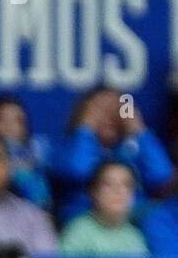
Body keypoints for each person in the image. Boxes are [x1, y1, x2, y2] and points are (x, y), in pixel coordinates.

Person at [49, 87, 173, 223]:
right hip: (85, 226)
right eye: (101, 110)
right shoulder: (66, 145)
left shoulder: (134, 149)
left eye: (116, 110)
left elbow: (161, 175)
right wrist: (86, 129)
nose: (108, 116)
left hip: (131, 225)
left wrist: (139, 130)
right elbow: (77, 170)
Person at [0, 96, 51, 210]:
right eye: (1, 119)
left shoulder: (38, 154)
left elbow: (41, 200)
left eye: (17, 120)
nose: (9, 126)